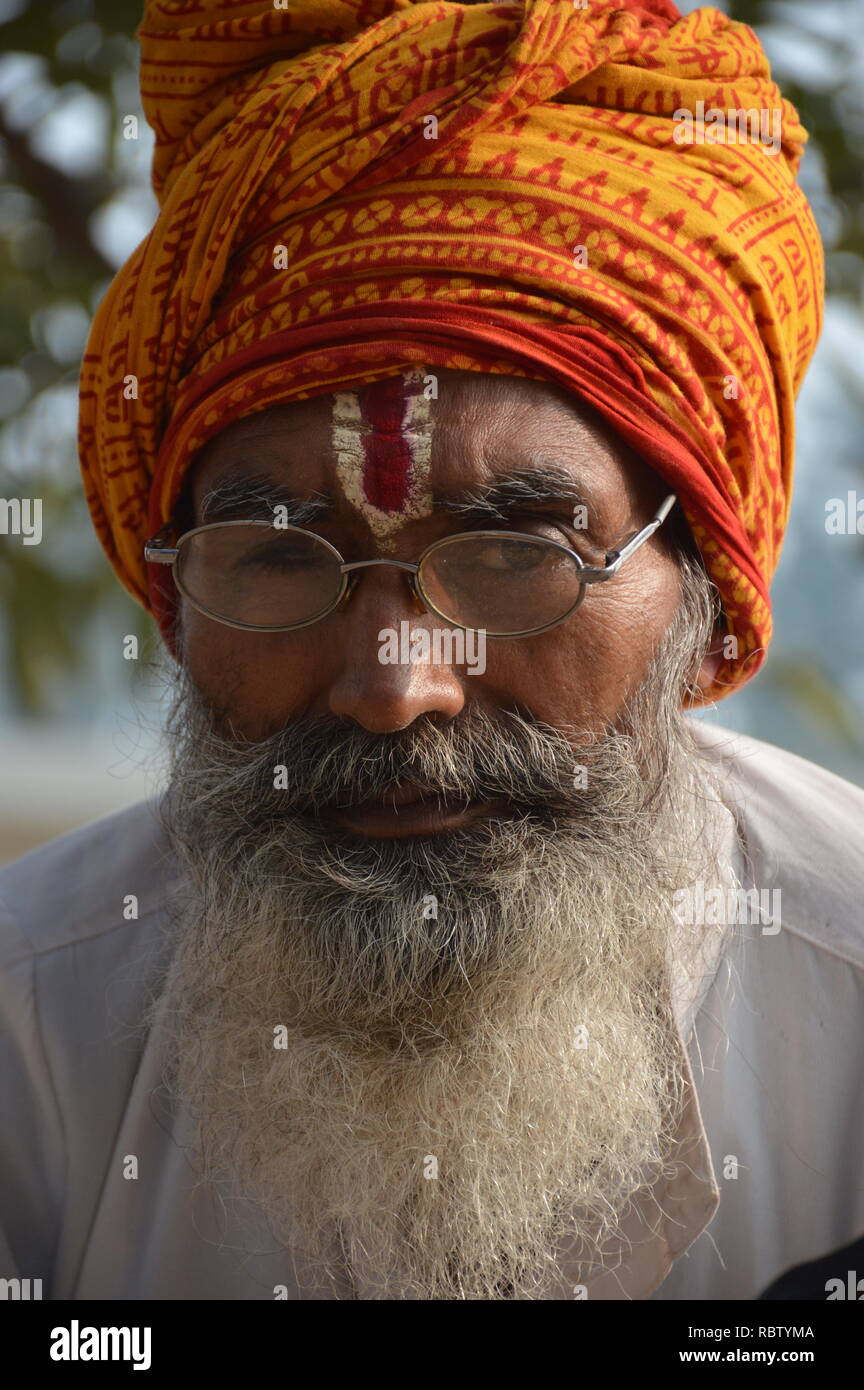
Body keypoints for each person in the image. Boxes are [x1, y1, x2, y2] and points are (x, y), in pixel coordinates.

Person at [1, 0, 862, 1302]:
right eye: (283, 554)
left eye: (518, 552)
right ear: (173, 604)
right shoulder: (28, 1035)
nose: (396, 688)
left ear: (705, 601)